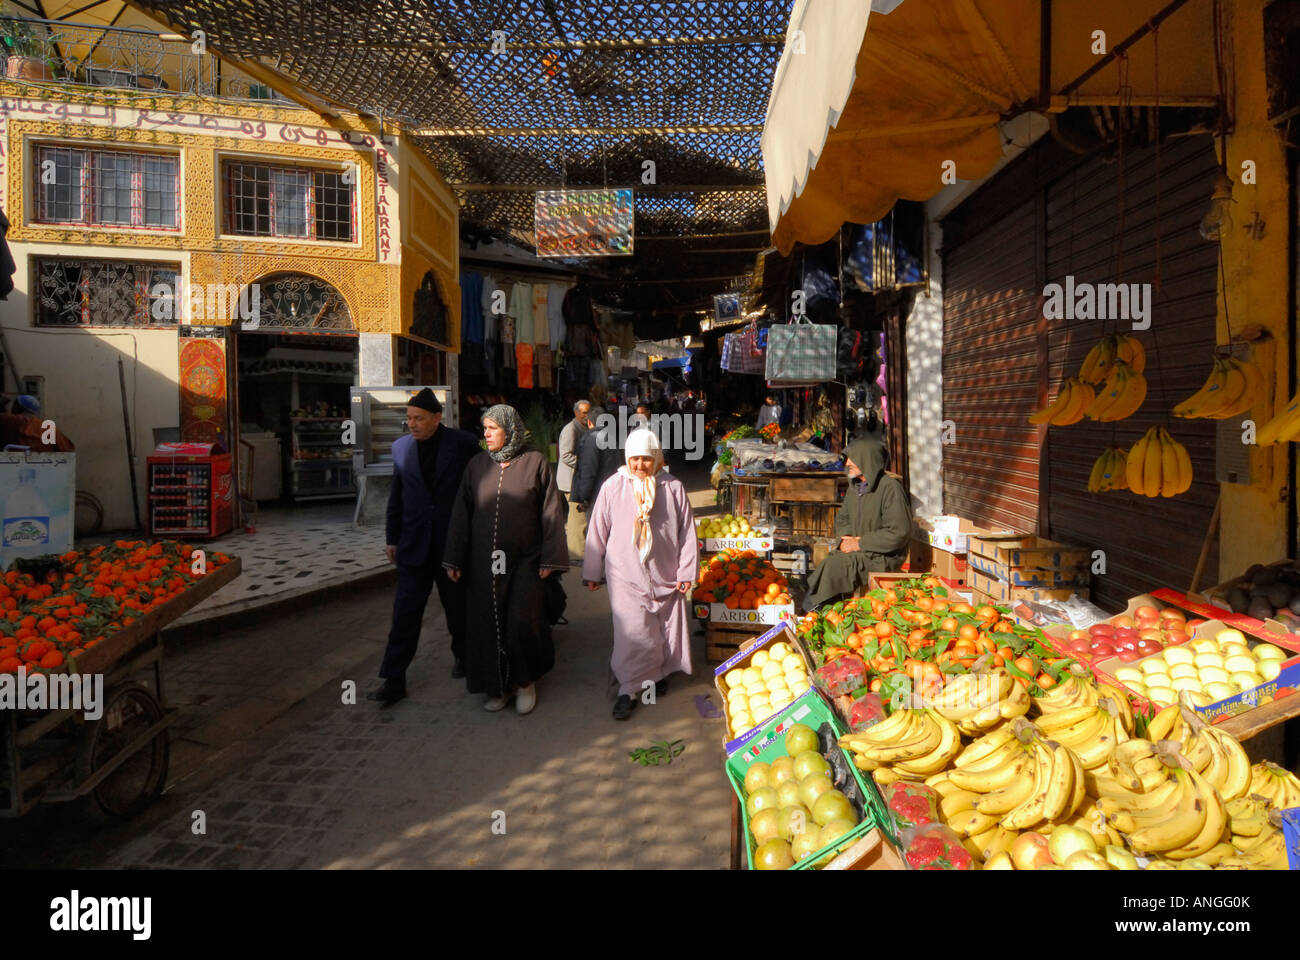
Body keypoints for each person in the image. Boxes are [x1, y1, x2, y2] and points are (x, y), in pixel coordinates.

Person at [443, 404, 568, 715]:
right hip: (482, 564)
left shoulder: (535, 463)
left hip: (526, 560)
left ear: (509, 429)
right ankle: (497, 686)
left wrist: (550, 559)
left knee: (520, 622)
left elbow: (551, 512)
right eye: (484, 428)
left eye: (492, 428)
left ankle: (525, 683)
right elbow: (461, 514)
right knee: (486, 624)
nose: (486, 434)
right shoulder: (475, 466)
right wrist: (454, 558)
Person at [369, 388, 480, 706]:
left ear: (436, 417)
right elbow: (397, 497)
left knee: (457, 607)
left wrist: (472, 538)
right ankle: (393, 679)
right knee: (405, 612)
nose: (412, 425)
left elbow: (475, 493)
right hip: (413, 544)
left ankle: (464, 657)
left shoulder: (463, 444)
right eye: (409, 419)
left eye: (418, 418)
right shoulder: (401, 448)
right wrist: (392, 538)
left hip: (451, 544)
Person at [583, 428, 698, 720]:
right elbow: (597, 531)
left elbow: (687, 533)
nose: (640, 466)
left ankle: (656, 675)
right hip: (624, 573)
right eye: (635, 459)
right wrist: (592, 571)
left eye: (647, 459)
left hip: (666, 573)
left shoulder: (672, 487)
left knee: (661, 629)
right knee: (631, 632)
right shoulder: (613, 487)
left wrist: (686, 571)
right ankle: (629, 689)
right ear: (627, 457)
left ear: (657, 458)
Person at [801, 436, 912, 612]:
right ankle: (820, 611)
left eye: (853, 458)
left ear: (867, 460)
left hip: (882, 557)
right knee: (829, 561)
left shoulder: (890, 488)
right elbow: (842, 518)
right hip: (858, 551)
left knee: (835, 567)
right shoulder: (855, 487)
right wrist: (845, 540)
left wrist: (860, 543)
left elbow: (899, 532)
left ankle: (814, 611)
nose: (848, 463)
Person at [570, 402, 624, 513]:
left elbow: (588, 472)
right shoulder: (614, 438)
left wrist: (583, 497)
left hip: (596, 498)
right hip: (613, 493)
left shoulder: (591, 440)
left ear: (589, 422)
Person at [557, 400, 591, 560]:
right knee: (577, 518)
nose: (587, 415)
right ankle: (576, 554)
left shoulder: (583, 428)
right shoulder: (570, 429)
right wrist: (583, 463)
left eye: (588, 412)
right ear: (576, 413)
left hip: (576, 480)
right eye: (584, 412)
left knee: (577, 517)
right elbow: (565, 455)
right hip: (571, 482)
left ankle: (577, 551)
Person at [0, 396, 74, 451]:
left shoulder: (9, 420)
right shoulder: (48, 428)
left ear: (15, 408)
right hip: (44, 467)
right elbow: (68, 449)